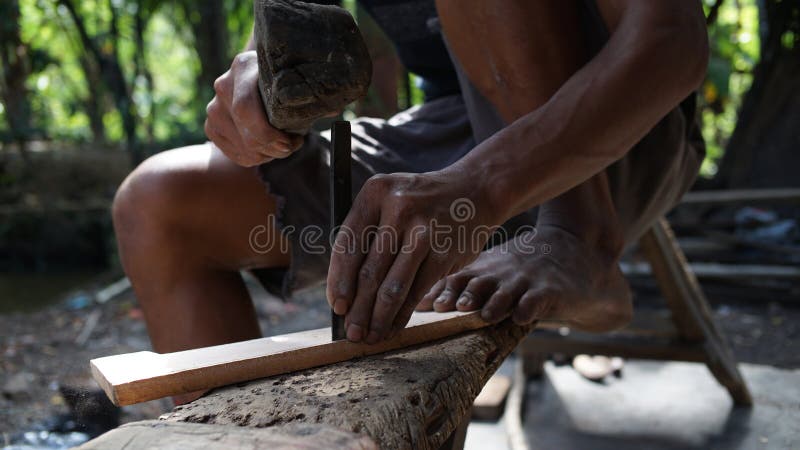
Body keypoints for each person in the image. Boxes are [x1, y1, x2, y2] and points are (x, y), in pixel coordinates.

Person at [112, 0, 708, 401]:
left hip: (614, 125)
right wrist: (254, 89)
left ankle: (578, 235)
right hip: (450, 129)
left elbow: (671, 42)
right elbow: (278, 35)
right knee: (160, 205)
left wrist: (479, 187)